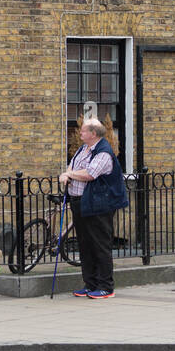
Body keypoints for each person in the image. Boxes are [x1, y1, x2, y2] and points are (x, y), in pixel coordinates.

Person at [58, 117, 124, 299]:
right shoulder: (83, 149)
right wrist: (69, 173)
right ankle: (90, 284)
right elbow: (72, 165)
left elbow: (90, 174)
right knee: (85, 244)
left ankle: (106, 287)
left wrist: (69, 174)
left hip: (98, 205)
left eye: (84, 130)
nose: (80, 132)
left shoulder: (103, 152)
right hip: (79, 202)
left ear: (93, 133)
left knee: (100, 244)